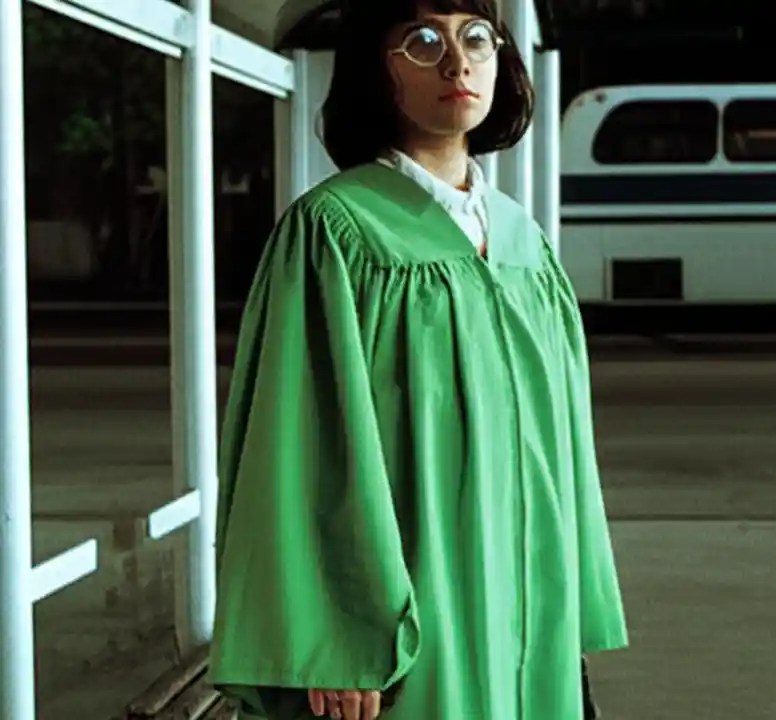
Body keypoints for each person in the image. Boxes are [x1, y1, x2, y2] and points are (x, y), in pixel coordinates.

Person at [207, 1, 629, 718]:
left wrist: (568, 606)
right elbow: (302, 450)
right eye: (423, 40)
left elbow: (568, 456)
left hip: (526, 608)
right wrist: (331, 638)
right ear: (378, 67)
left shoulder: (526, 245)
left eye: (476, 38)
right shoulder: (338, 231)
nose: (457, 62)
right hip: (414, 612)